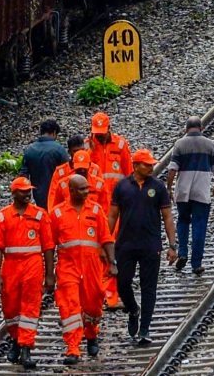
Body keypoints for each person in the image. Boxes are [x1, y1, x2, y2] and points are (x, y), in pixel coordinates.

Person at [109, 148, 177, 347]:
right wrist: (106, 243)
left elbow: (167, 217)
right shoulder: (121, 187)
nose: (151, 167)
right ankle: (133, 310)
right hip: (125, 244)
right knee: (122, 282)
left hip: (150, 244)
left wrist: (172, 245)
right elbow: (112, 215)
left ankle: (145, 328)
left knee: (149, 287)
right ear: (135, 166)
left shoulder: (158, 187)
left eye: (151, 164)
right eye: (146, 164)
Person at [48, 173, 114, 364]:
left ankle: (91, 334)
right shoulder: (58, 214)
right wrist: (50, 274)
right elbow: (50, 246)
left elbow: (106, 238)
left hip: (92, 267)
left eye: (87, 188)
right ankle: (73, 348)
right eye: (82, 189)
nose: (87, 192)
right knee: (69, 306)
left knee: (93, 304)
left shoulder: (95, 209)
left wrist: (112, 262)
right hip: (68, 268)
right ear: (71, 191)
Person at [0, 176, 55, 370]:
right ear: (13, 193)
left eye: (29, 190)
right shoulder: (2, 216)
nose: (28, 194)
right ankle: (16, 339)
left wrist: (49, 274)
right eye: (23, 191)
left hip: (32, 265)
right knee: (10, 309)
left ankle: (26, 348)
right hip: (10, 267)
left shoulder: (40, 215)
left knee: (30, 307)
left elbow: (48, 247)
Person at [86, 112, 132, 306]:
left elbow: (129, 173)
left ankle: (112, 293)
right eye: (96, 133)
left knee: (113, 247)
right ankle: (100, 291)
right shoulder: (88, 147)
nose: (99, 136)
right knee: (97, 250)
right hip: (96, 206)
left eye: (102, 133)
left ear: (109, 129)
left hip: (116, 206)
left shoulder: (121, 145)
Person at [170, 116, 214, 275]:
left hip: (183, 192)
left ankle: (183, 253)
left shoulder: (179, 144)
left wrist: (168, 188)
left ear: (186, 129)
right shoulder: (209, 144)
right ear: (201, 128)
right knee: (200, 225)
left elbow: (172, 169)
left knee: (183, 221)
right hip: (201, 191)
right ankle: (196, 263)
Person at [19, 119, 71, 199]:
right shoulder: (59, 149)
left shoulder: (30, 150)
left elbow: (23, 176)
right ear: (54, 133)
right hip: (57, 194)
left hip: (38, 195)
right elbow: (68, 172)